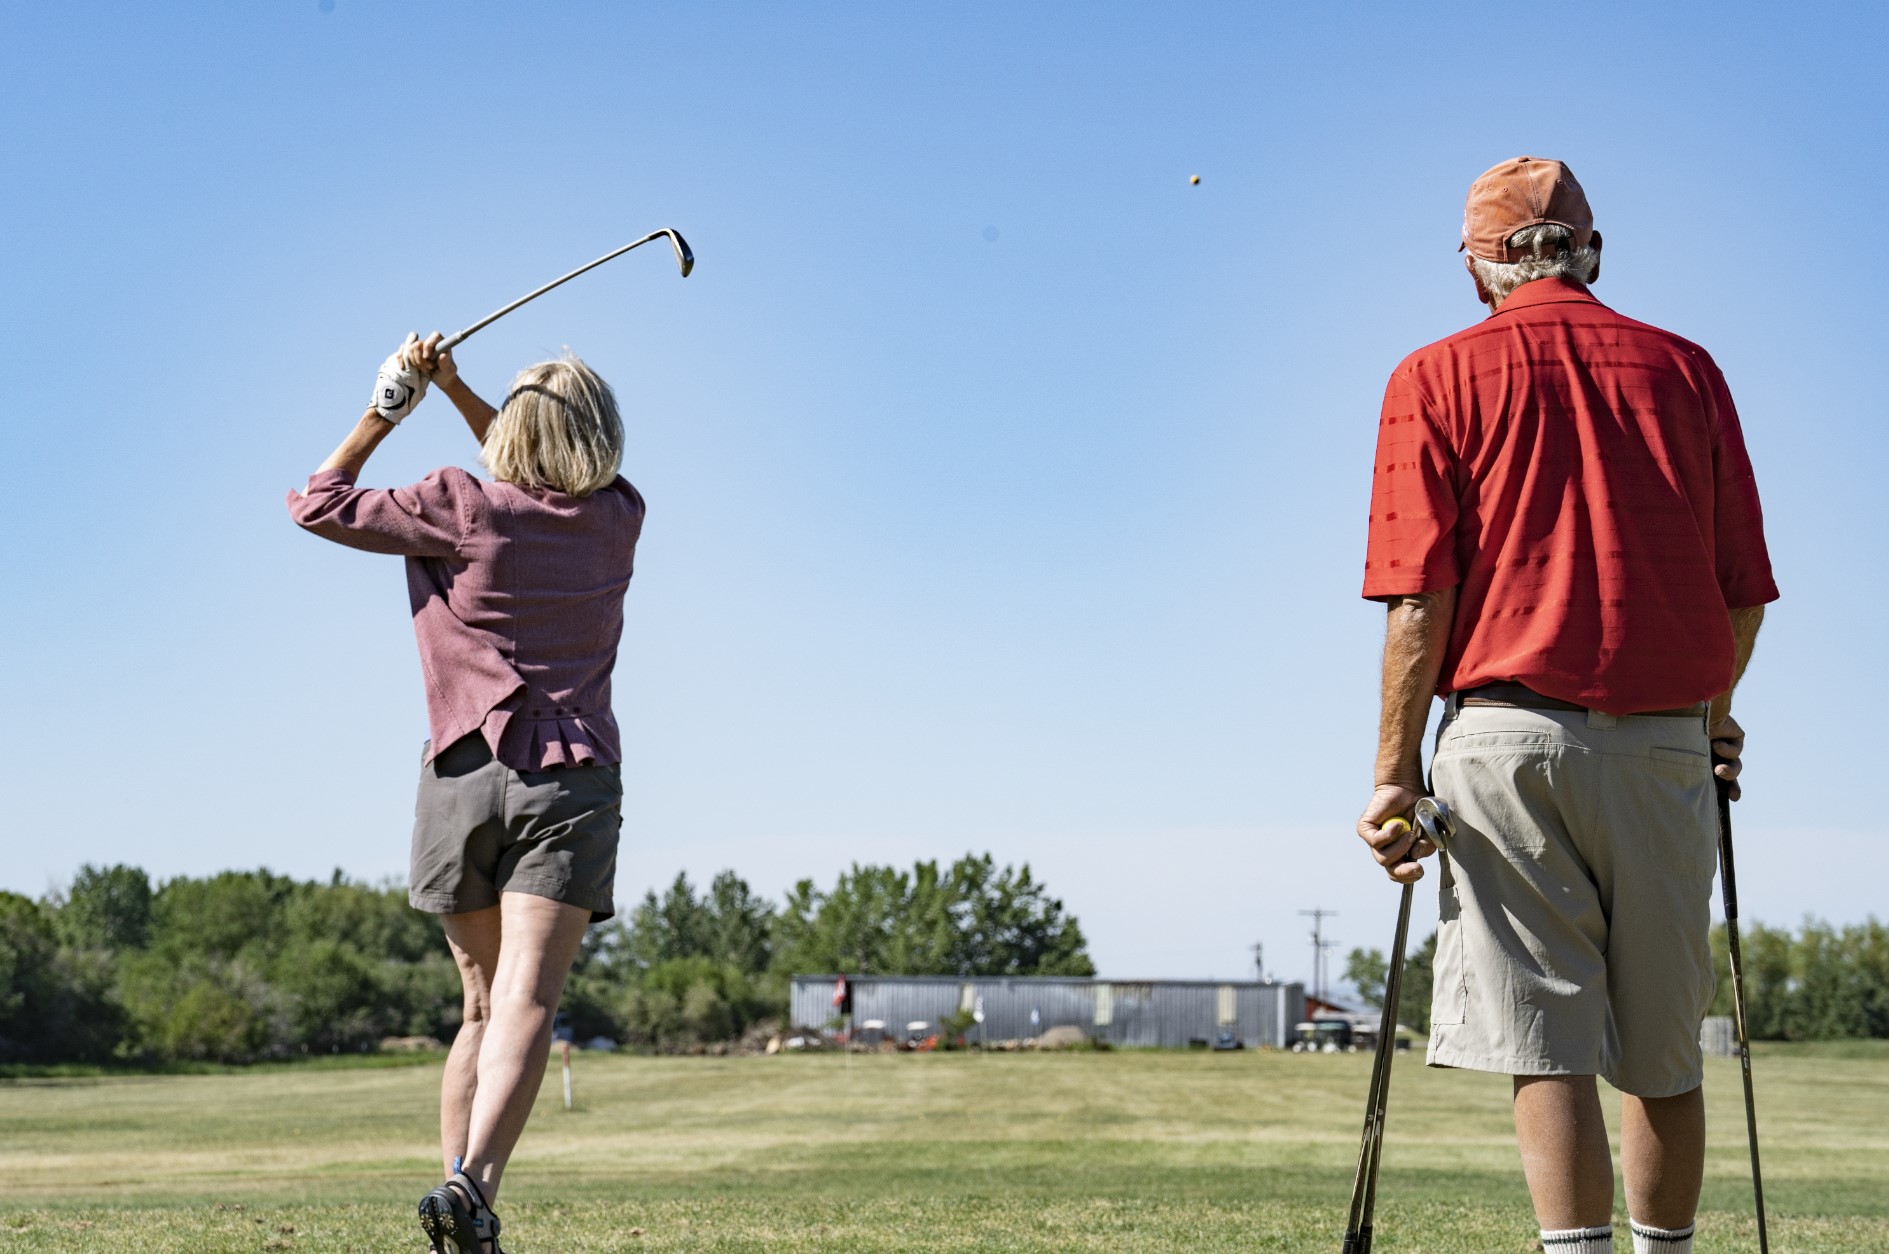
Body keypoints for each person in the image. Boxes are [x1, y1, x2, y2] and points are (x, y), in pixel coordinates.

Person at [1355, 157, 1776, 1254]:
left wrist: (1392, 774)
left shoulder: (1431, 375)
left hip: (1504, 738)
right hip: (1664, 745)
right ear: (1590, 251)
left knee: (1544, 1045)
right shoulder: (1686, 370)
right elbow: (1741, 592)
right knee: (1663, 1052)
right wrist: (1711, 714)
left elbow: (1417, 599)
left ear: (1474, 265)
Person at [287, 333, 646, 1254]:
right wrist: (455, 388)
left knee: (481, 1008)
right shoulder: (617, 516)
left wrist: (391, 403)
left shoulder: (459, 504)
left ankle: (464, 1216)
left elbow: (316, 502)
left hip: (458, 778)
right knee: (528, 1000)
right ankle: (472, 1189)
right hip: (568, 780)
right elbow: (543, 467)